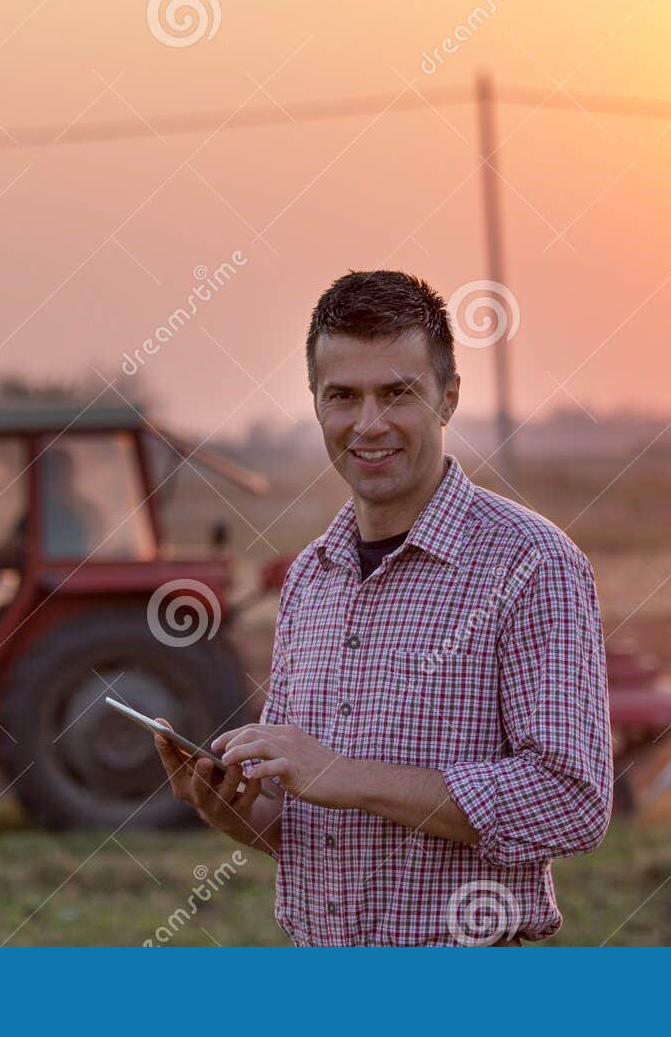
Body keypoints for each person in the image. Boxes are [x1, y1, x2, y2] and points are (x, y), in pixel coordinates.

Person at [154, 270, 612, 946]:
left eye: (397, 393)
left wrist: (345, 776)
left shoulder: (531, 564)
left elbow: (570, 803)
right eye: (343, 396)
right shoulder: (312, 577)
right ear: (316, 404)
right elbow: (321, 830)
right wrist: (232, 813)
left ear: (448, 398)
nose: (368, 424)